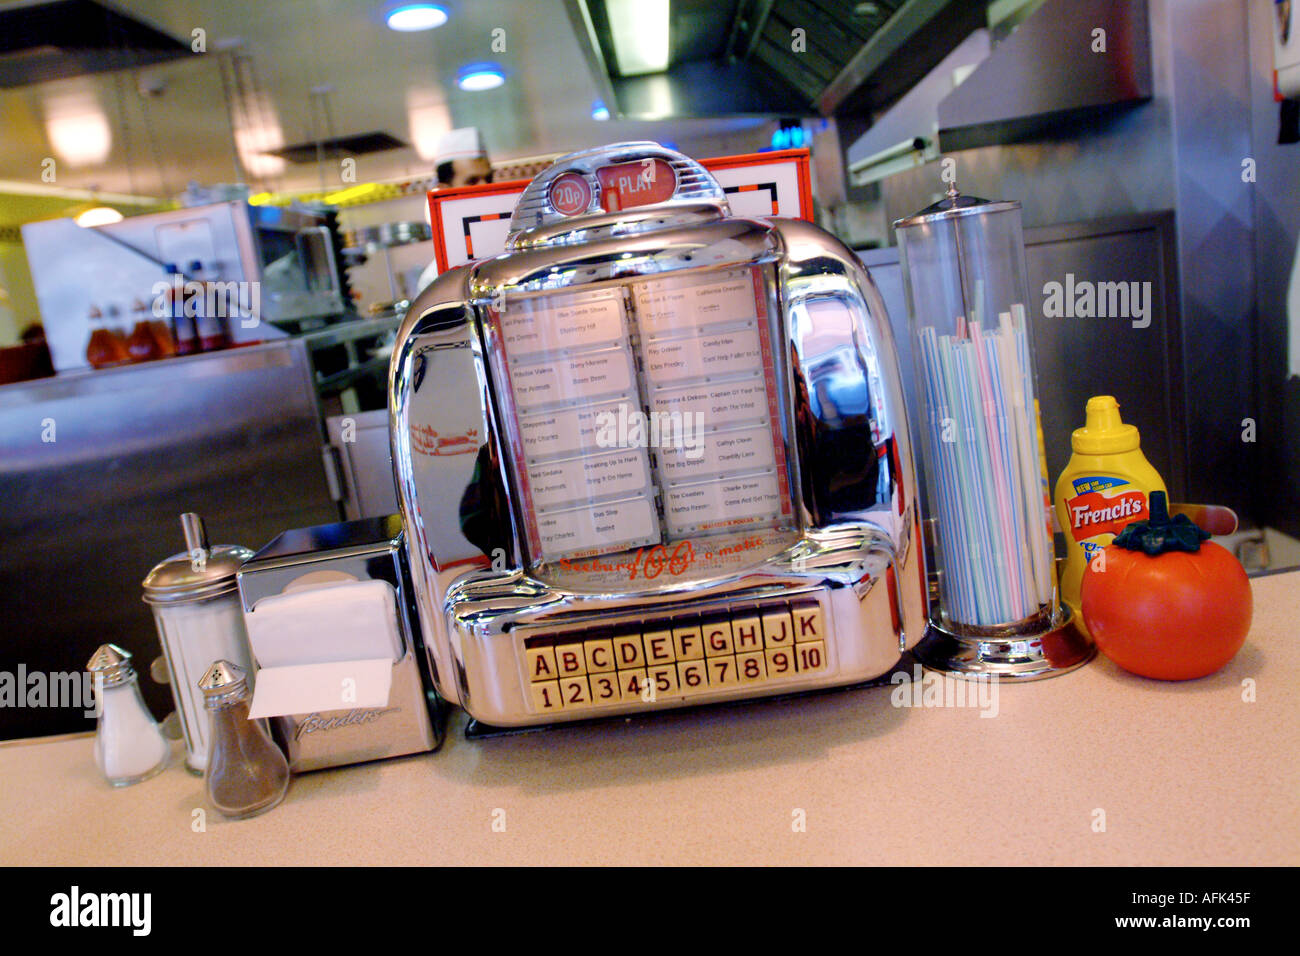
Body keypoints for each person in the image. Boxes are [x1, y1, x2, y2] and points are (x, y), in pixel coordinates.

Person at [415, 127, 494, 295]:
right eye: (472, 181)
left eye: (488, 179)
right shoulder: (434, 280)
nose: (486, 188)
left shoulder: (514, 253)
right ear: (445, 192)